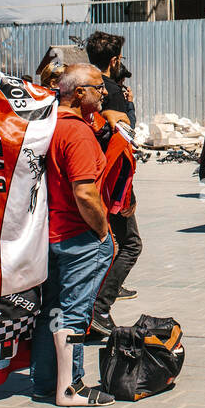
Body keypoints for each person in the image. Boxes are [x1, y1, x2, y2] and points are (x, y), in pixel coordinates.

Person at [29, 63, 117, 405]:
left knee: (51, 309)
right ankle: (70, 388)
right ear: (79, 93)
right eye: (99, 86)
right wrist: (102, 231)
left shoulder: (50, 124)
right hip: (78, 235)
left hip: (50, 234)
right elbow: (84, 192)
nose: (105, 91)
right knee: (74, 312)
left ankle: (45, 382)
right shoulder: (77, 133)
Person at [84, 31, 142, 336]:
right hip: (113, 181)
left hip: (88, 178)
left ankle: (88, 308)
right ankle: (99, 308)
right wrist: (129, 107)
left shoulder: (86, 88)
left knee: (100, 244)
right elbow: (125, 136)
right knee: (130, 244)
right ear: (115, 60)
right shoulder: (111, 91)